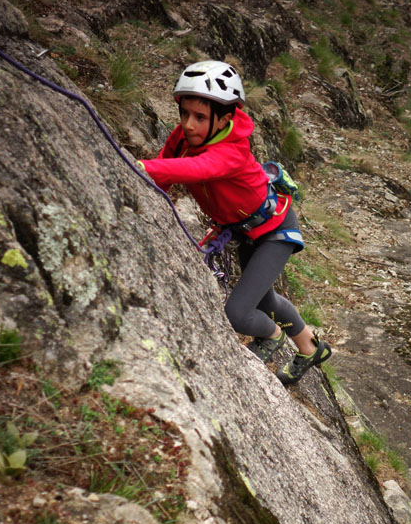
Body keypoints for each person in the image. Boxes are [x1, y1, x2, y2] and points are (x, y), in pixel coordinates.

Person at [138, 60, 331, 385]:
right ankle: (310, 348)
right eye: (184, 114)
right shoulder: (186, 137)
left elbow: (194, 170)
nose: (188, 124)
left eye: (199, 117)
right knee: (265, 300)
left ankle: (271, 338)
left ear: (224, 118)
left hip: (276, 231)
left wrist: (143, 167)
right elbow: (165, 164)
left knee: (238, 313)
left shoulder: (233, 152)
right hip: (248, 231)